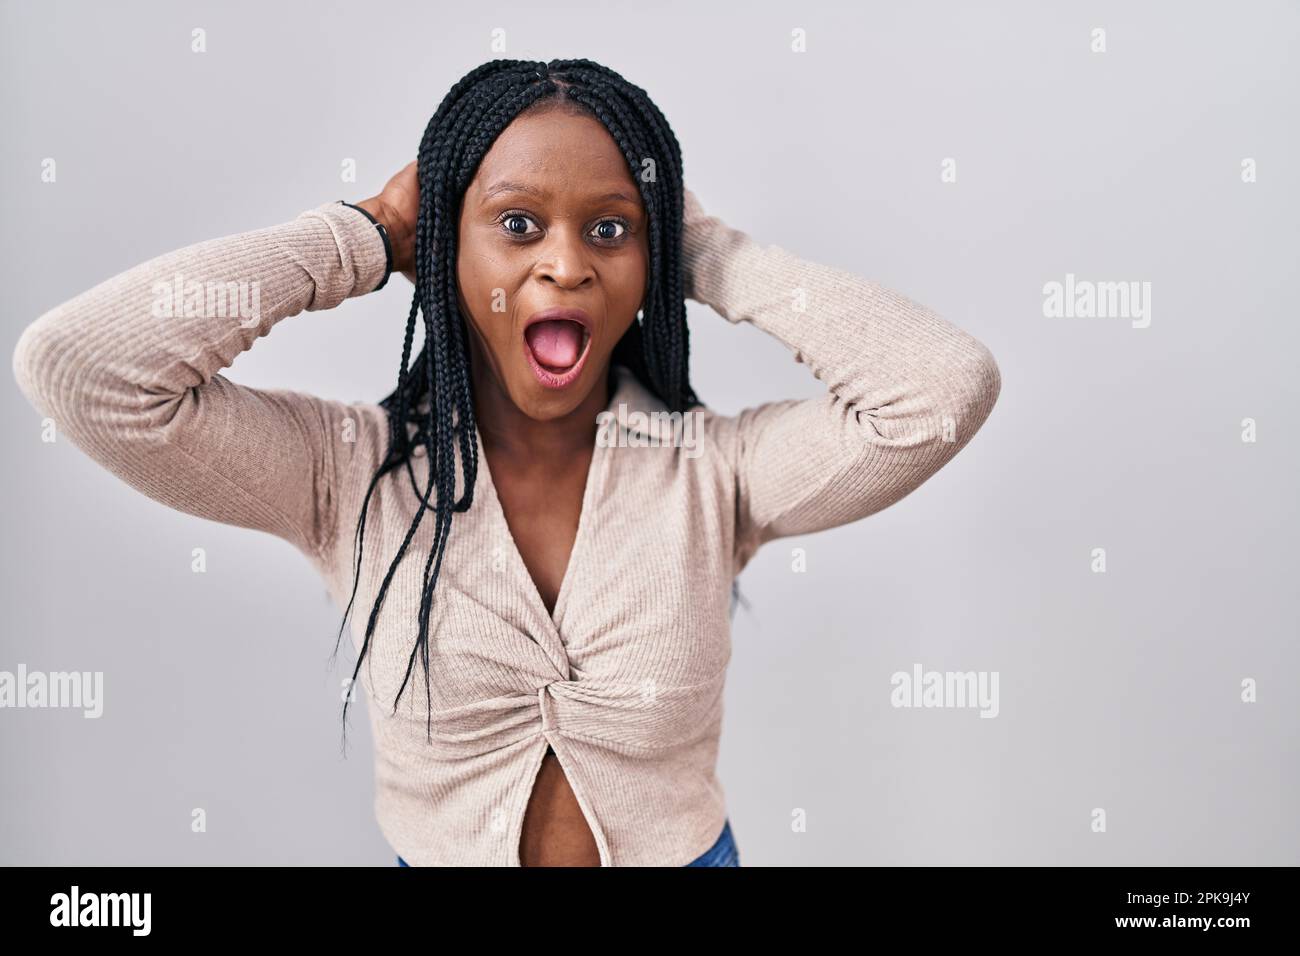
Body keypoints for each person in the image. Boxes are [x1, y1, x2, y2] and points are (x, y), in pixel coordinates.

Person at [11, 58, 1002, 866]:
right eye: (517, 224)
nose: (566, 263)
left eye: (609, 230)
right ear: (449, 248)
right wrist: (364, 234)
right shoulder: (347, 474)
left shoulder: (713, 471)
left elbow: (938, 391)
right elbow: (84, 369)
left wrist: (701, 247)